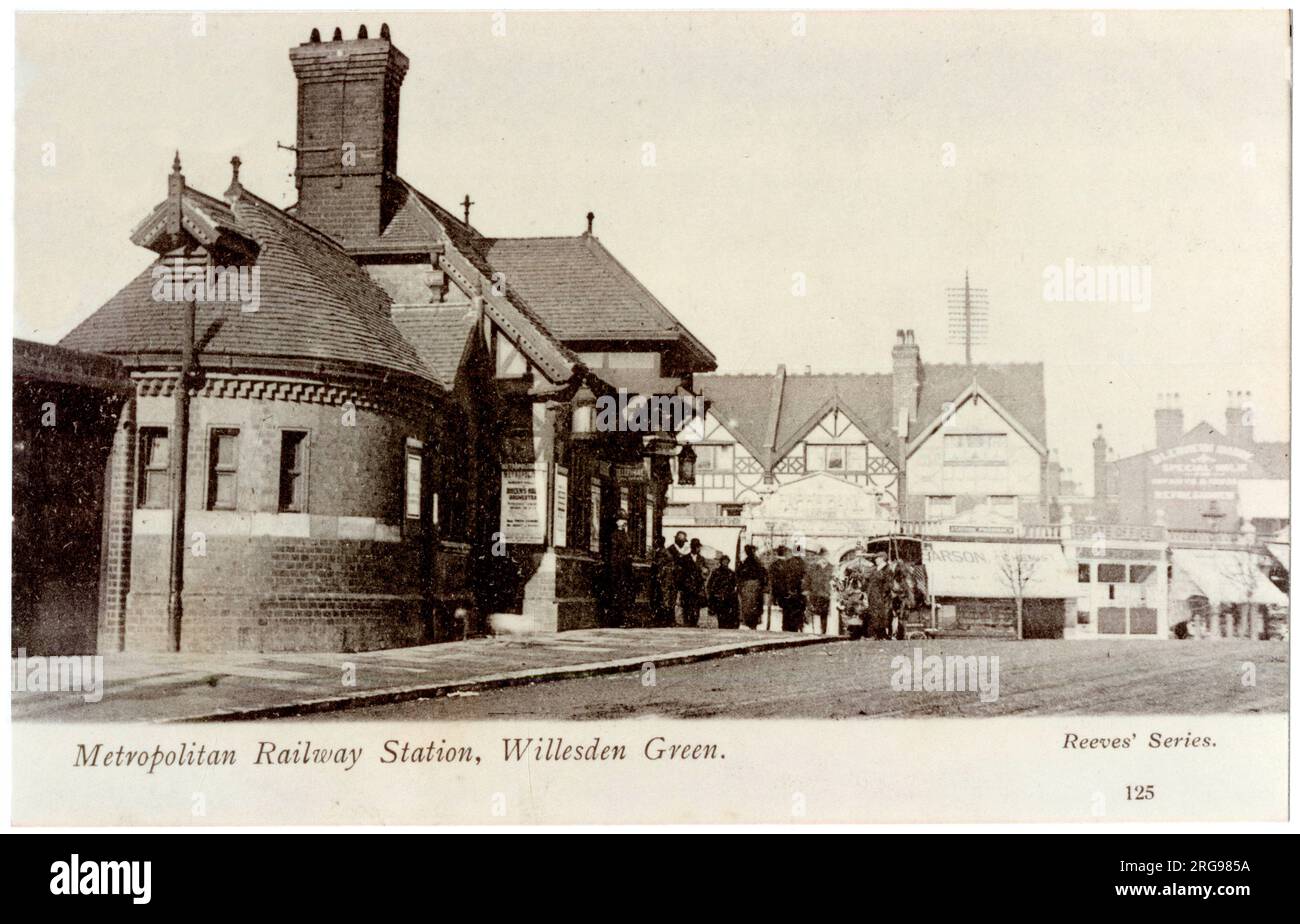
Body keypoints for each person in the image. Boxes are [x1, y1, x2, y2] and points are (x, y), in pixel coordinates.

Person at [606, 512, 635, 627]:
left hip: (626, 570)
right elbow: (613, 555)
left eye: (625, 520)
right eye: (622, 519)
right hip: (618, 570)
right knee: (618, 595)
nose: (625, 522)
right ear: (617, 521)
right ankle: (618, 620)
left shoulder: (626, 535)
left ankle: (625, 619)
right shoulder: (614, 535)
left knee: (626, 595)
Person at [769, 545, 807, 633]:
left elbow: (784, 578)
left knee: (787, 612)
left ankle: (787, 627)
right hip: (797, 593)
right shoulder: (803, 564)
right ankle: (795, 627)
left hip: (788, 592)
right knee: (796, 612)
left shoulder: (788, 563)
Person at [677, 537, 706, 627]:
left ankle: (694, 623)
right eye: (697, 547)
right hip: (687, 587)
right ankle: (687, 623)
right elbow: (681, 574)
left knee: (696, 606)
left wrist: (705, 572)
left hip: (697, 586)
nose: (698, 549)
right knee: (686, 606)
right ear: (693, 547)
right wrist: (682, 586)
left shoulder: (701, 559)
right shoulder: (685, 559)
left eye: (699, 547)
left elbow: (705, 572)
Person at [736, 545, 767, 630]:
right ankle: (752, 622)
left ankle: (751, 622)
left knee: (750, 606)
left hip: (749, 587)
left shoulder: (747, 562)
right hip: (752, 586)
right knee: (753, 606)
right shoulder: (755, 562)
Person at [804, 546, 834, 634]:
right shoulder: (813, 568)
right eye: (822, 556)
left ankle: (823, 632)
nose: (824, 558)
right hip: (815, 594)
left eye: (826, 556)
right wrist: (807, 591)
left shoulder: (831, 568)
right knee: (813, 614)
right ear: (819, 557)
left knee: (824, 615)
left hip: (826, 595)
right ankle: (814, 631)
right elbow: (807, 580)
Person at [649, 535, 677, 627]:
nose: (654, 543)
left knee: (664, 600)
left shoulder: (664, 553)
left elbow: (662, 566)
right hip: (659, 580)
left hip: (663, 580)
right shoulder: (658, 552)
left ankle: (665, 621)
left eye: (655, 541)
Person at [707, 554, 739, 629]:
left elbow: (735, 585)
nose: (725, 562)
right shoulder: (716, 572)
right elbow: (710, 585)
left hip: (728, 598)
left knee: (728, 617)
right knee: (720, 618)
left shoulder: (731, 573)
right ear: (721, 562)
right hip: (718, 598)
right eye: (724, 561)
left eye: (727, 561)